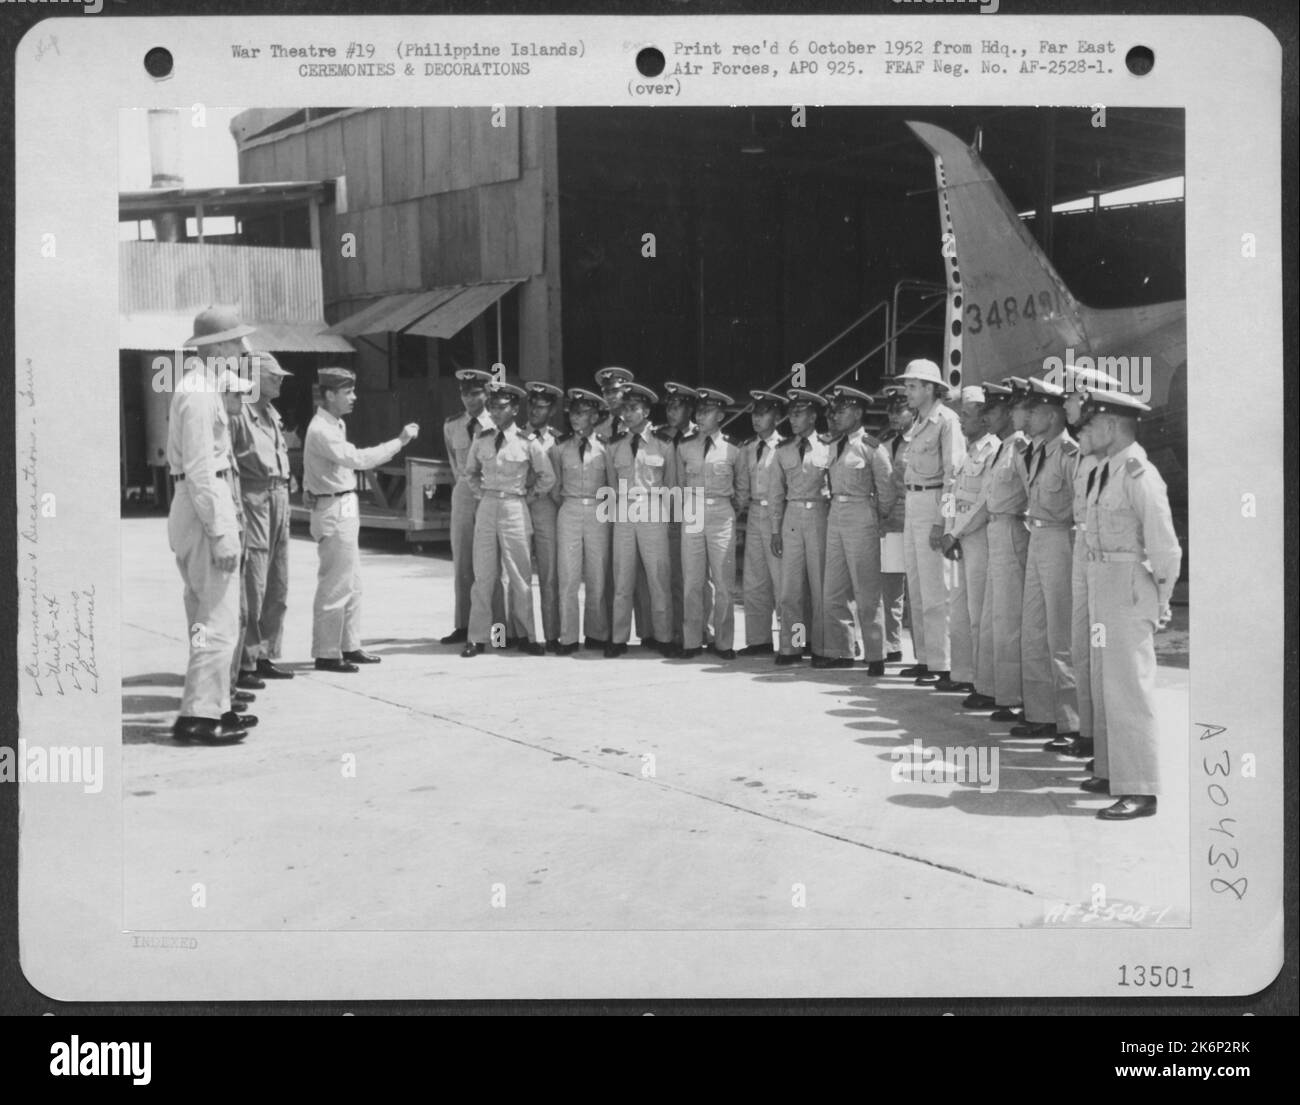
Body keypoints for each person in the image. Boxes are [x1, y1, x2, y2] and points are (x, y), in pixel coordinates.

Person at [1078, 388, 1182, 820]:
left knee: (1129, 689)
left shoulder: (1140, 473)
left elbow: (1166, 548)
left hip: (1127, 587)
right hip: (1103, 583)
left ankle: (1140, 789)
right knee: (1105, 680)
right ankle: (1111, 769)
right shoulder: (1106, 469)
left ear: (1111, 425)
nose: (1083, 430)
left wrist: (1160, 598)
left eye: (1089, 423)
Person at [165, 306, 262, 744]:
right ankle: (198, 718)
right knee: (219, 618)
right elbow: (204, 470)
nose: (244, 349)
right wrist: (222, 531)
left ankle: (216, 705)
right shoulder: (199, 395)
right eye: (236, 341)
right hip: (205, 503)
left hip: (195, 502)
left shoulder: (200, 386)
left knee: (206, 615)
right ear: (215, 347)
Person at [304, 367, 419, 672]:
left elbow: (314, 466)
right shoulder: (322, 430)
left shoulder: (335, 423)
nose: (354, 397)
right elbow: (359, 460)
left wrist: (307, 488)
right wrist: (400, 441)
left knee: (353, 582)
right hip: (334, 507)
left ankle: (349, 644)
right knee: (335, 583)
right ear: (329, 395)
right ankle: (326, 652)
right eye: (347, 392)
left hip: (344, 502)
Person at [460, 381, 556, 657]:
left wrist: (528, 497)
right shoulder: (482, 438)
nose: (494, 411)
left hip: (515, 506)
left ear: (515, 409)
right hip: (489, 505)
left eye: (501, 407)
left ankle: (527, 635)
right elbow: (470, 472)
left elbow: (547, 476)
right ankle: (477, 637)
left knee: (520, 575)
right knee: (484, 575)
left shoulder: (528, 442)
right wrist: (482, 495)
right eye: (491, 406)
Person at [1011, 377, 1080, 747]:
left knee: (1060, 634)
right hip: (1037, 536)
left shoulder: (1070, 454)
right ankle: (1040, 713)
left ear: (1054, 416)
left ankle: (1070, 723)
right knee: (1034, 630)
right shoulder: (1035, 451)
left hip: (1059, 539)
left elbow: (1080, 508)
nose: (1029, 415)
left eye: (1036, 410)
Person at [897, 358, 966, 685]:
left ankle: (944, 662)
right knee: (918, 586)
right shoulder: (918, 421)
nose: (906, 391)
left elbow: (953, 476)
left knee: (937, 588)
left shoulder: (946, 421)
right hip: (914, 502)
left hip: (934, 502)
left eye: (912, 386)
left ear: (929, 388)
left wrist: (944, 522)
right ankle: (925, 658)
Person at [818, 385, 895, 673]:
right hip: (835, 512)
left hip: (862, 513)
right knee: (834, 589)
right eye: (835, 410)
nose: (836, 416)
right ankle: (841, 650)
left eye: (842, 410)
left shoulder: (871, 447)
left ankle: (876, 655)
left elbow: (886, 491)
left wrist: (875, 517)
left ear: (859, 412)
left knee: (867, 591)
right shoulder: (832, 445)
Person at [230, 350, 295, 683]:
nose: (280, 380)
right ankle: (246, 660)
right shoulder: (239, 413)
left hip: (279, 495)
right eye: (274, 376)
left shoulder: (272, 414)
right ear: (253, 377)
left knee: (277, 581)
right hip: (253, 495)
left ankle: (267, 652)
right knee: (253, 581)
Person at [605, 382, 678, 657]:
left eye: (634, 408)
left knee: (658, 576)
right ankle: (618, 637)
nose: (628, 413)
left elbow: (671, 484)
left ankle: (663, 637)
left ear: (646, 410)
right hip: (624, 509)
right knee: (622, 575)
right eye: (625, 408)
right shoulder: (615, 445)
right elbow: (611, 486)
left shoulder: (663, 444)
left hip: (652, 509)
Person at [937, 386, 999, 695]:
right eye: (960, 414)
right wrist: (948, 527)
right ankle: (961, 672)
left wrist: (955, 532)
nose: (962, 420)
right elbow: (952, 494)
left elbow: (984, 503)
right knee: (958, 609)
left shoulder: (993, 451)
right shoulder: (966, 452)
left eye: (968, 415)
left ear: (985, 420)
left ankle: (982, 680)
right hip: (958, 538)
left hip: (977, 539)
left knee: (978, 610)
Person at [677, 387, 744, 660]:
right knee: (692, 579)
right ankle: (692, 640)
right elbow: (679, 483)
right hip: (692, 509)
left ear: (721, 414)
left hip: (720, 512)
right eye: (699, 411)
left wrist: (727, 512)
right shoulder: (685, 446)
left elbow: (742, 489)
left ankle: (724, 642)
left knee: (723, 581)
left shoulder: (733, 448)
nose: (700, 416)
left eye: (707, 412)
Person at [768, 389, 832, 666]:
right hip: (792, 516)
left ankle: (821, 647)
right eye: (791, 414)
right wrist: (774, 529)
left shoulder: (829, 446)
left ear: (813, 415)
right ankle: (793, 646)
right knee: (790, 588)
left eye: (799, 413)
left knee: (820, 587)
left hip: (820, 514)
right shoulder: (783, 450)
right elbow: (775, 493)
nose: (793, 419)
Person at [551, 388, 615, 653]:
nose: (576, 418)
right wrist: (570, 504)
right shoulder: (560, 447)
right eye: (573, 413)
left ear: (596, 416)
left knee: (597, 574)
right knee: (568, 574)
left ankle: (597, 633)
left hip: (598, 510)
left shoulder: (606, 448)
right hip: (570, 508)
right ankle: (568, 636)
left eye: (582, 413)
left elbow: (612, 485)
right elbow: (555, 487)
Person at [440, 369, 498, 646]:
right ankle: (463, 625)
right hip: (464, 492)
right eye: (464, 393)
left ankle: (498, 631)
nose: (469, 399)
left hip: (490, 491)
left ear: (487, 394)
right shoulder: (452, 425)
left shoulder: (497, 423)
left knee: (492, 564)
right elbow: (454, 464)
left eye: (475, 393)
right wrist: (464, 489)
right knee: (463, 559)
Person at [737, 390, 787, 656]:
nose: (757, 418)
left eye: (763, 413)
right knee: (754, 580)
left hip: (778, 515)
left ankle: (793, 642)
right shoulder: (747, 447)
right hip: (755, 513)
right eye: (754, 413)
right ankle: (759, 640)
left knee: (783, 582)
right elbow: (743, 488)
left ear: (777, 416)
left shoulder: (786, 447)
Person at [522, 380, 565, 651]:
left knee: (550, 575)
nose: (535, 411)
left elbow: (558, 479)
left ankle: (552, 635)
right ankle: (520, 635)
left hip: (547, 509)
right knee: (517, 573)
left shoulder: (559, 440)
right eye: (532, 406)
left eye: (542, 407)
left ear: (551, 411)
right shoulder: (515, 436)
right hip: (519, 507)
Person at [661, 381, 699, 652]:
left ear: (690, 409)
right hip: (668, 513)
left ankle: (701, 631)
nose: (671, 412)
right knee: (674, 576)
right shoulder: (661, 437)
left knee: (698, 577)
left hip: (694, 513)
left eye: (678, 406)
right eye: (669, 406)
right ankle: (677, 632)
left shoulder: (700, 437)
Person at [877, 387, 912, 663]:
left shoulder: (925, 440)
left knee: (927, 590)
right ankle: (893, 644)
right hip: (892, 519)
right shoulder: (885, 442)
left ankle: (933, 656)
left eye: (899, 409)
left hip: (921, 517)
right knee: (891, 587)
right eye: (890, 410)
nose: (893, 416)